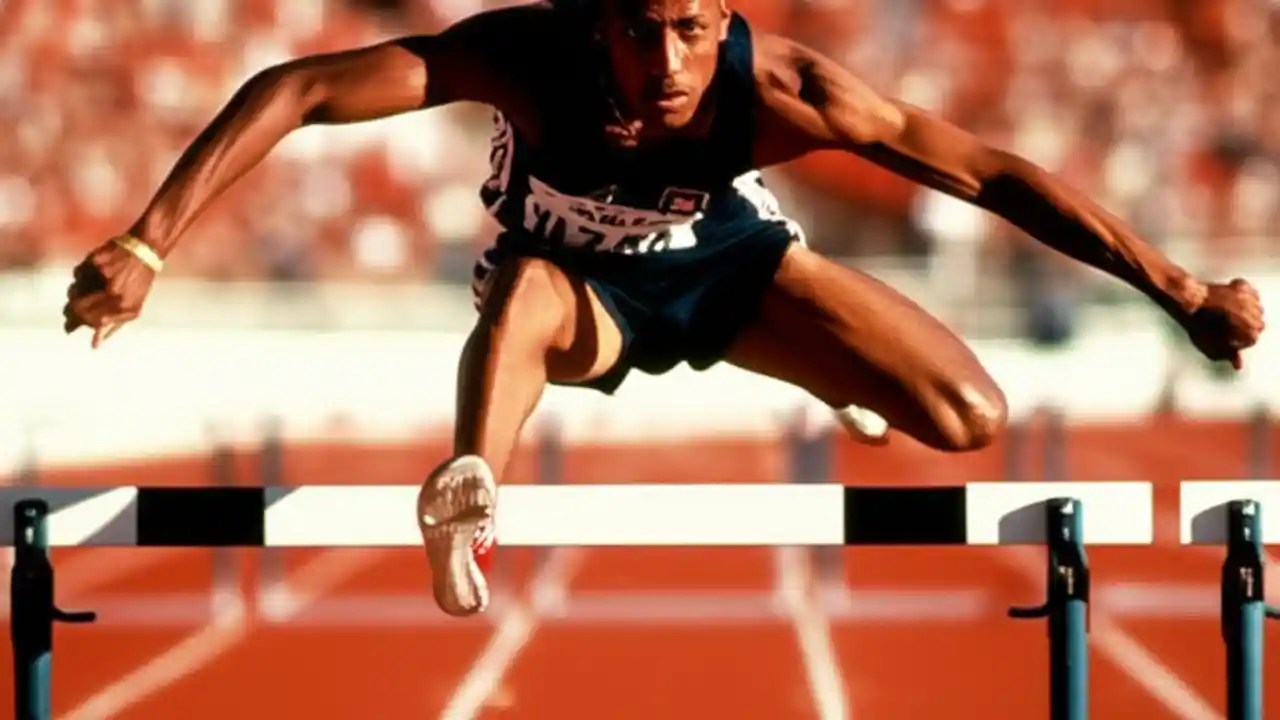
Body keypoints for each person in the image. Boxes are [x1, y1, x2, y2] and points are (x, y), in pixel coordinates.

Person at [62, 0, 1265, 617]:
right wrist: (146, 243)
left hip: (730, 264)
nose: (671, 63)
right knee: (524, 291)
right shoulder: (529, 55)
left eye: (693, 27)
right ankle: (467, 489)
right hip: (577, 293)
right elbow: (303, 85)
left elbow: (985, 172)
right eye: (641, 32)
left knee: (966, 418)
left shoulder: (781, 87)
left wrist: (1176, 291)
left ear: (724, 11)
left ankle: (812, 369)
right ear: (597, 22)